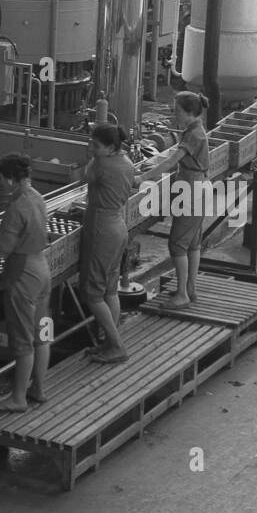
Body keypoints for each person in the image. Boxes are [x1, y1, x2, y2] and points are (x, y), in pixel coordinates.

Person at [0, 152, 51, 412]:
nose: (1, 184)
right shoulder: (36, 197)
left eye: (2, 179)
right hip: (41, 268)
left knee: (23, 341)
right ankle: (38, 388)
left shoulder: (15, 208)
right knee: (40, 335)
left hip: (22, 274)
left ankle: (18, 398)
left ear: (12, 180)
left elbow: (5, 248)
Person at [141, 91, 210, 308]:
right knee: (192, 243)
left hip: (190, 191)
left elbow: (172, 161)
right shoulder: (195, 129)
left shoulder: (193, 135)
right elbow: (174, 156)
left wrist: (142, 177)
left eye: (177, 111)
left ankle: (182, 294)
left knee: (177, 244)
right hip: (197, 187)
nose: (174, 115)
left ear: (190, 113)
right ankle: (190, 287)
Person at [79, 123, 140, 363]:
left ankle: (116, 345)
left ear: (111, 147)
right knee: (110, 289)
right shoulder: (127, 163)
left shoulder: (101, 164)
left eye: (95, 145)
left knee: (93, 293)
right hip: (118, 226)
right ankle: (109, 340)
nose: (91, 148)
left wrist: (92, 158)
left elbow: (83, 176)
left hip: (101, 229)